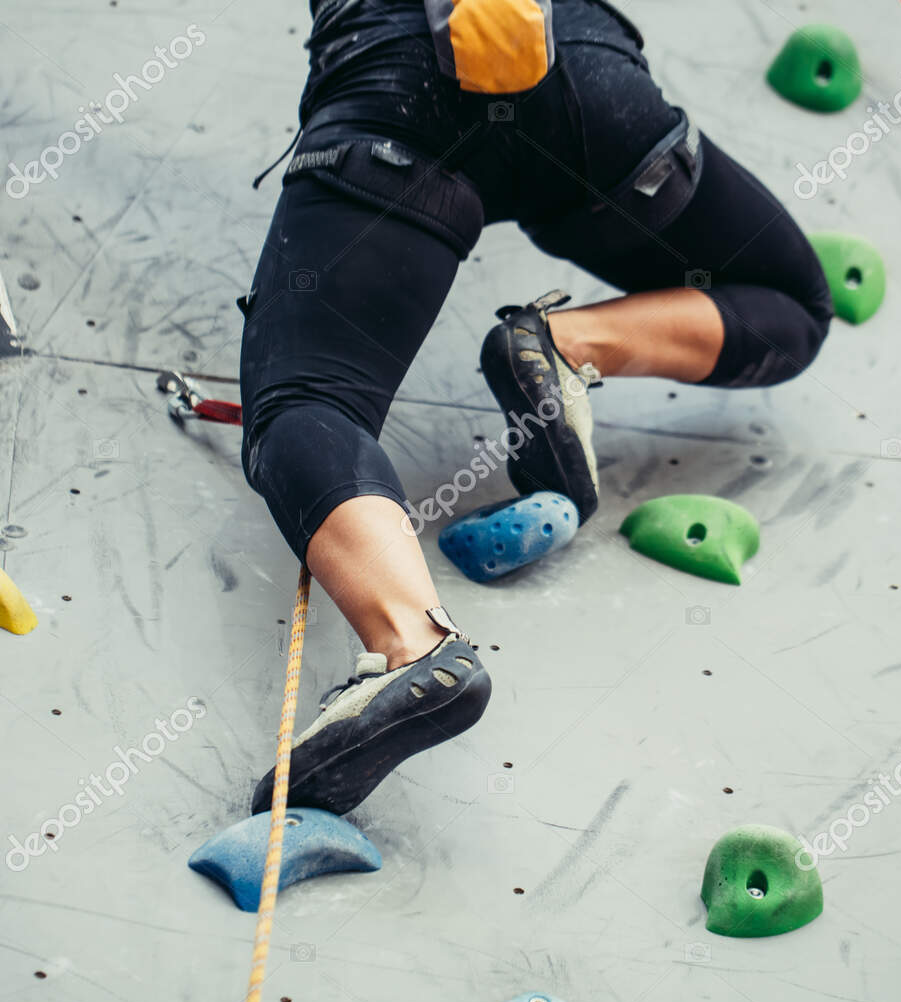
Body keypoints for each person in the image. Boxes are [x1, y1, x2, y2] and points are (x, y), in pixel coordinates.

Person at [241, 0, 833, 817]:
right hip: (582, 85)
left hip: (399, 92)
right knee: (790, 303)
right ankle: (566, 345)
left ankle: (412, 643)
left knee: (313, 398)